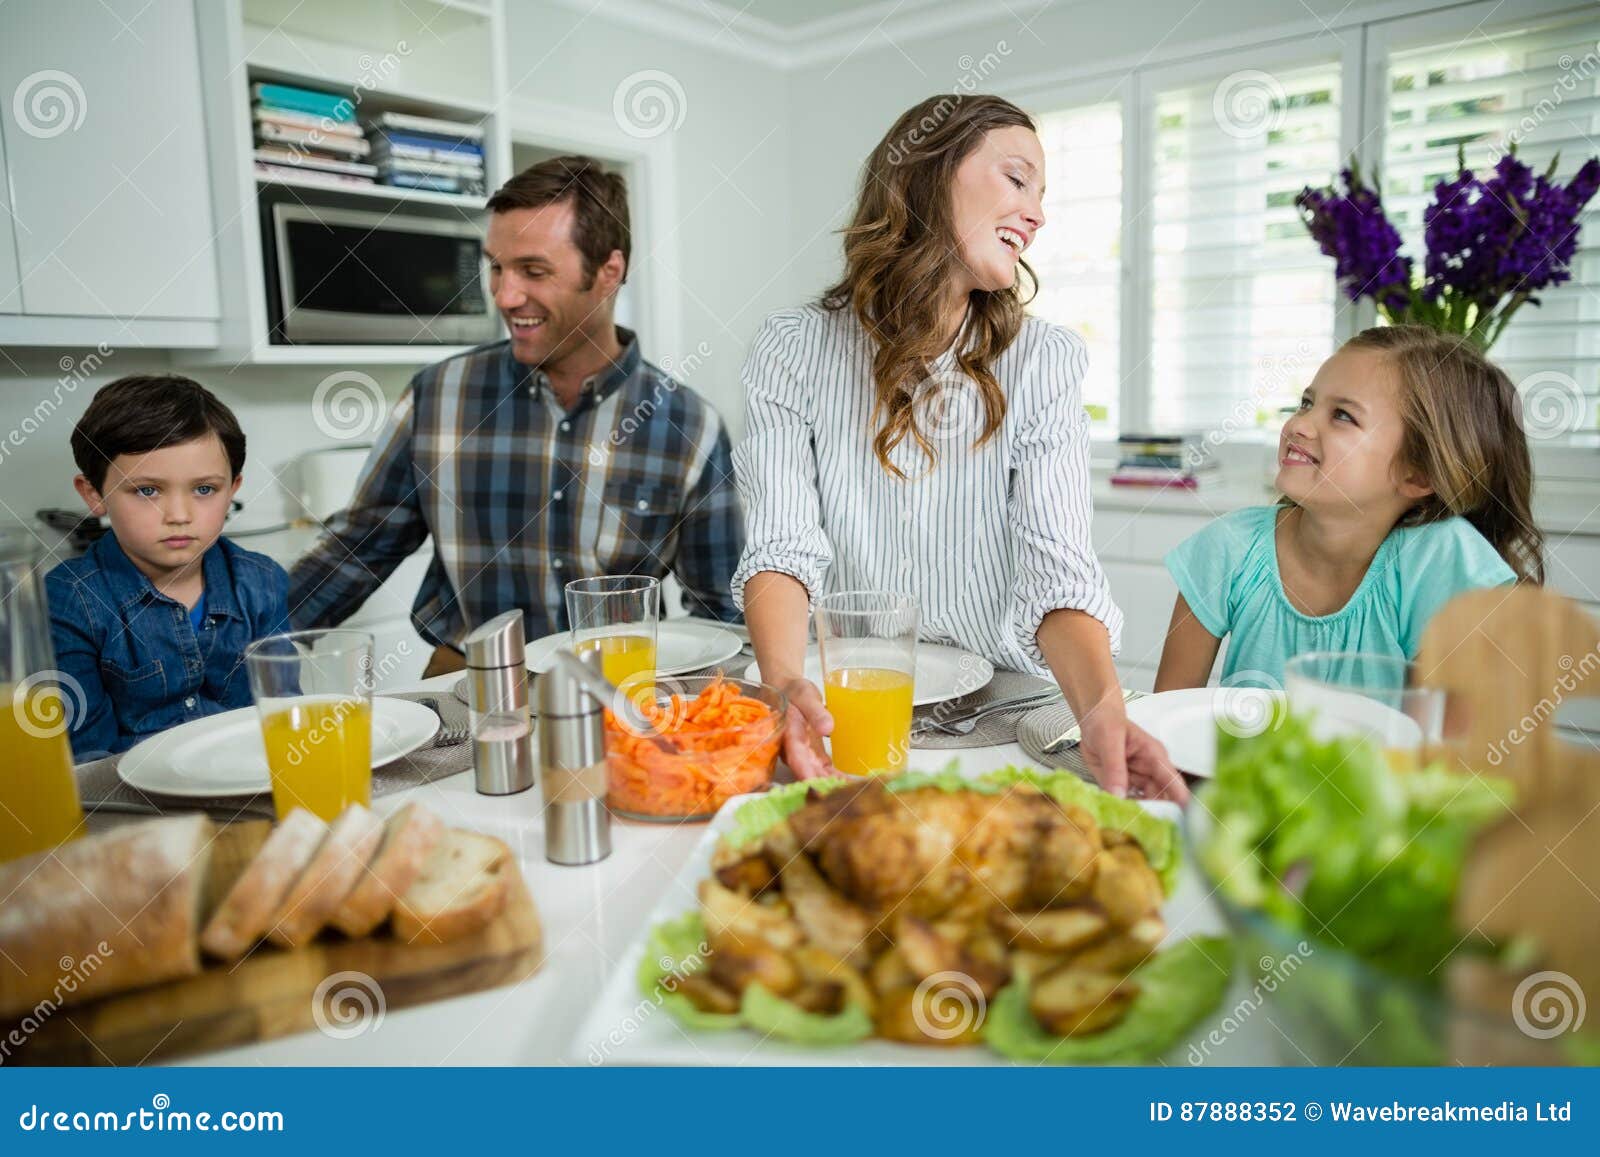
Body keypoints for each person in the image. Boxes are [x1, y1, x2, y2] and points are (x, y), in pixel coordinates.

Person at [733, 94, 1185, 801]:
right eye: (1017, 179)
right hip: (842, 711)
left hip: (1002, 718)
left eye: (1042, 193)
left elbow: (1058, 575)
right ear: (928, 175)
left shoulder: (1042, 361)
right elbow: (782, 548)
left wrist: (1102, 710)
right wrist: (784, 681)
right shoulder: (793, 349)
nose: (1037, 213)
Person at [289, 155, 743, 676]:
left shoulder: (688, 426)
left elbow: (722, 612)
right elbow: (357, 551)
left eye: (534, 270)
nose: (505, 295)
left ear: (608, 272)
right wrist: (231, 645)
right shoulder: (439, 397)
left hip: (619, 691)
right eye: (496, 267)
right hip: (468, 688)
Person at [1156, 325, 1541, 690]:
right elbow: (1164, 725)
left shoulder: (1438, 566)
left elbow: (1437, 751)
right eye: (1306, 403)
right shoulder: (1230, 547)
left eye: (1343, 415)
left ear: (1418, 475)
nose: (1299, 425)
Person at [47, 375, 289, 759]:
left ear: (233, 489)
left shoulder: (263, 582)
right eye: (147, 490)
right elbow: (84, 759)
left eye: (204, 489)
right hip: (133, 809)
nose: (178, 515)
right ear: (94, 494)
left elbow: (284, 715)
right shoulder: (68, 599)